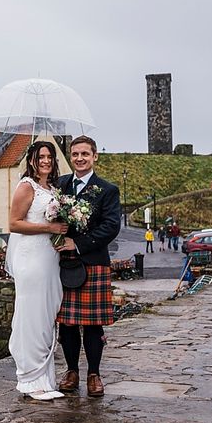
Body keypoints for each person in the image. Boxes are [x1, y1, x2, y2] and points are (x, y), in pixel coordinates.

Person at [55, 136, 123, 396]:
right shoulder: (60, 185)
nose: (80, 158)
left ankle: (94, 374)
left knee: (93, 324)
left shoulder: (107, 189)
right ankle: (72, 371)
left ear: (95, 156)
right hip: (63, 264)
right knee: (67, 323)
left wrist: (78, 243)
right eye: (75, 154)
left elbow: (111, 226)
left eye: (85, 154)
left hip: (92, 262)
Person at [5, 139, 69, 400]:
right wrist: (49, 228)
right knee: (31, 315)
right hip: (30, 259)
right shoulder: (26, 186)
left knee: (46, 314)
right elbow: (14, 224)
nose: (46, 161)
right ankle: (30, 380)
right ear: (31, 159)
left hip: (49, 259)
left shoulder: (52, 189)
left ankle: (45, 378)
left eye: (49, 157)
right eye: (41, 156)